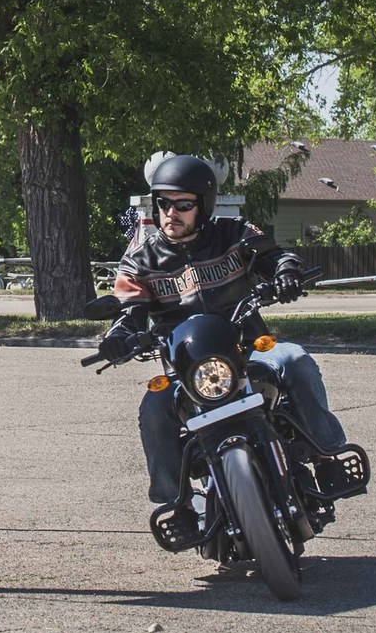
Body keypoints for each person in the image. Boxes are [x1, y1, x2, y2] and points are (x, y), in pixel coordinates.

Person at [100, 151, 358, 543]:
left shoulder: (233, 232)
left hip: (250, 346)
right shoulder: (140, 260)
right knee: (154, 406)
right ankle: (176, 502)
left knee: (295, 359)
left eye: (183, 204)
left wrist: (286, 272)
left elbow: (272, 255)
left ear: (202, 205)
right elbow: (129, 309)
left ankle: (326, 454)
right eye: (164, 203)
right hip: (188, 369)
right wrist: (120, 336)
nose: (172, 212)